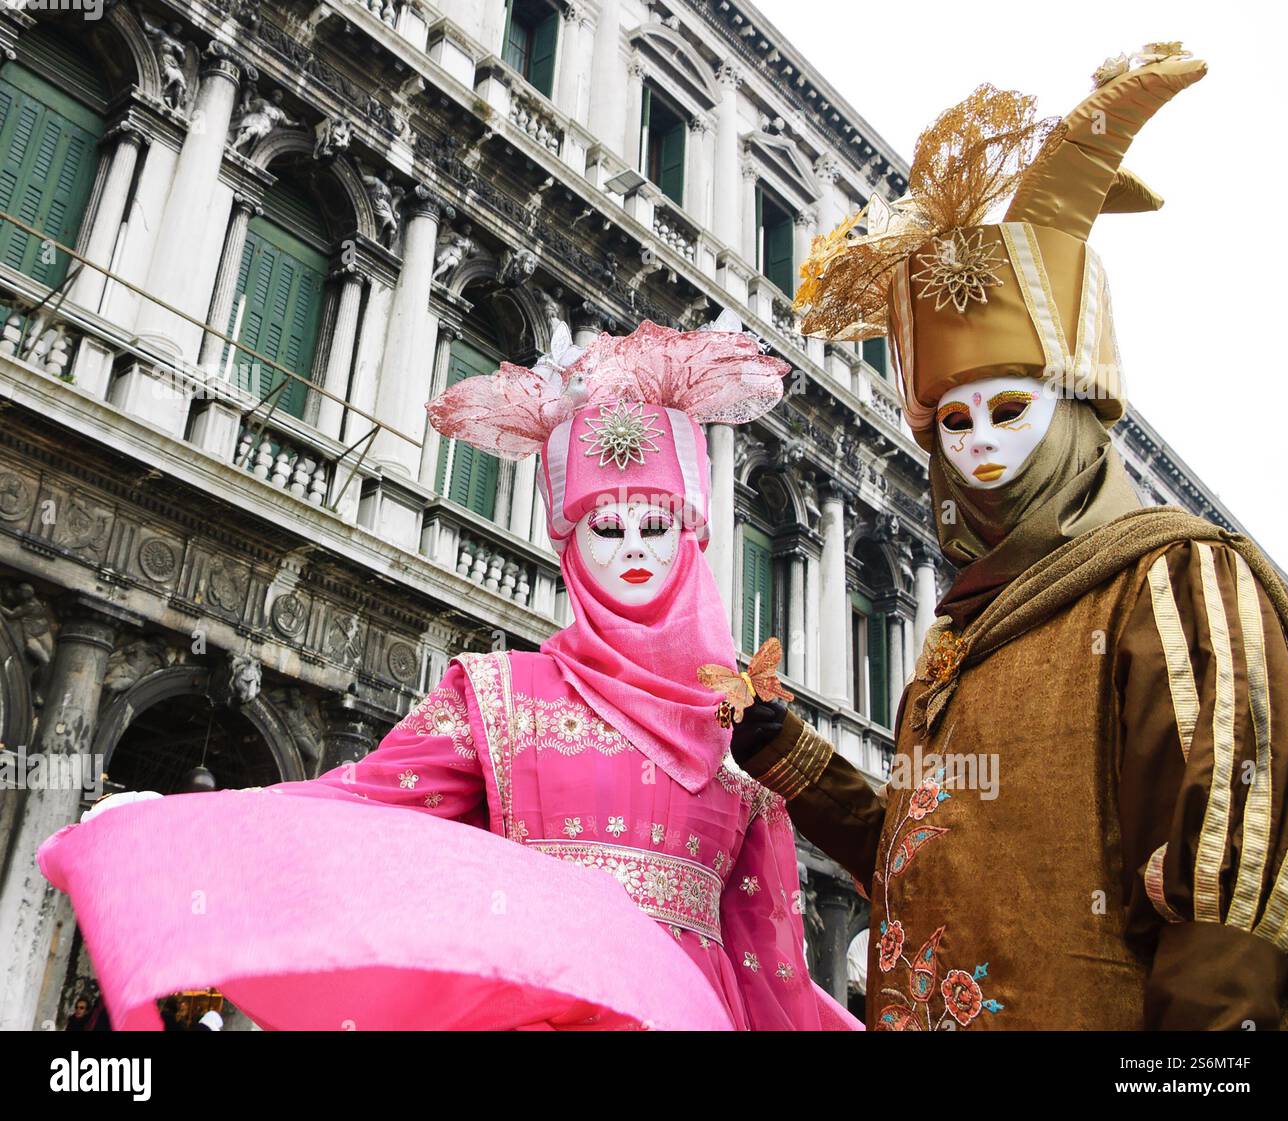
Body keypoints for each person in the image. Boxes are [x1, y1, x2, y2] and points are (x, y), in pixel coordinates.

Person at [43, 315, 857, 1032]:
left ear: (692, 537)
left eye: (659, 523)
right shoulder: (499, 699)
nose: (636, 547)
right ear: (570, 546)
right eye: (607, 526)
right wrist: (184, 829)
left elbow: (773, 970)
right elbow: (358, 806)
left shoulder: (739, 737)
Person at [730, 45, 1288, 1030]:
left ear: (1075, 401)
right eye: (954, 421)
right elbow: (933, 857)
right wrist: (784, 753)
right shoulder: (967, 635)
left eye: (1009, 406)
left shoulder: (1174, 577)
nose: (982, 444)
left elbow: (1230, 886)